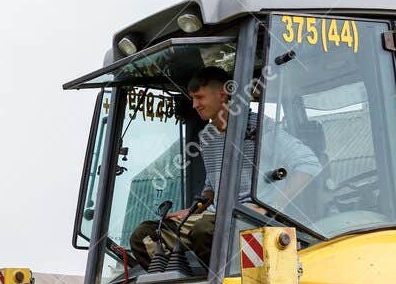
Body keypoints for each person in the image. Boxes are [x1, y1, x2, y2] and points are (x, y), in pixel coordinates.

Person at [129, 66, 320, 269]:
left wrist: (269, 206)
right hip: (214, 216)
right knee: (145, 235)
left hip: (249, 218)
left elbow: (309, 163)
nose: (194, 105)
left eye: (200, 97)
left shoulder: (262, 128)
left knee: (205, 231)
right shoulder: (206, 137)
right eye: (192, 98)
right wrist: (193, 210)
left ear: (222, 94)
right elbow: (211, 185)